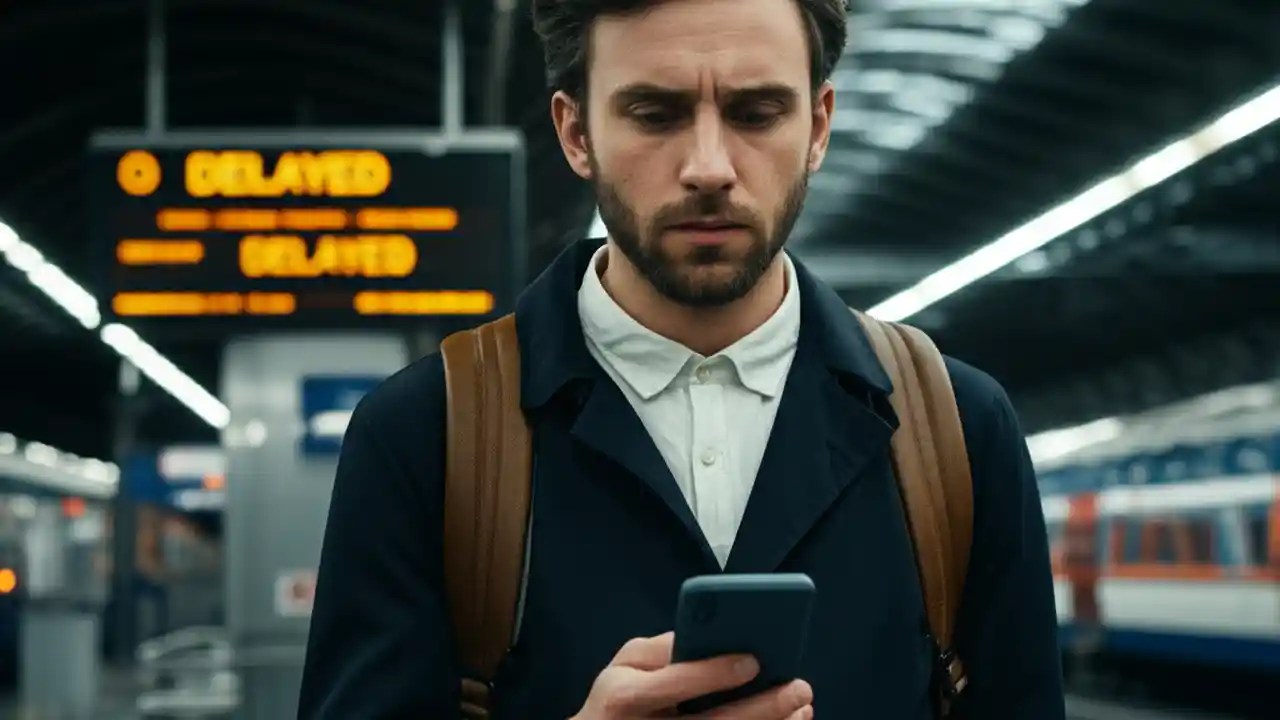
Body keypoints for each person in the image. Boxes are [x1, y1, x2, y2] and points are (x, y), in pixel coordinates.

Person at [297, 0, 1066, 717]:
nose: (708, 166)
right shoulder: (425, 436)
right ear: (575, 134)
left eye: (756, 113)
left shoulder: (957, 432)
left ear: (821, 124)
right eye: (655, 114)